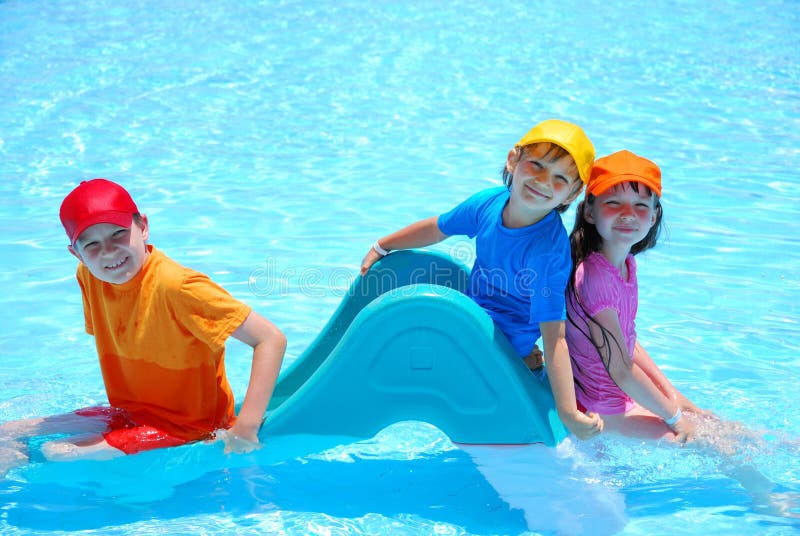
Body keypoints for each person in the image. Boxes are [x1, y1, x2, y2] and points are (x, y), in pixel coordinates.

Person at [0, 178, 286, 473]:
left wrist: (246, 428)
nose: (109, 252)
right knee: (8, 431)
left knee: (57, 451)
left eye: (118, 234)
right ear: (77, 254)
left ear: (143, 227)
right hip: (130, 413)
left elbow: (270, 339)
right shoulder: (90, 277)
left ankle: (23, 473)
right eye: (92, 245)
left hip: (187, 427)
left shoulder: (178, 288)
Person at [360, 119, 604, 440]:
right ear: (513, 160)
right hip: (473, 316)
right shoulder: (488, 203)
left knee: (415, 325)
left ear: (572, 194)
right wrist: (383, 245)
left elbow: (554, 335)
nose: (543, 181)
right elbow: (438, 227)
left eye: (560, 179)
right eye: (536, 164)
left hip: (503, 344)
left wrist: (568, 412)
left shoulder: (547, 252)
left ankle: (520, 366)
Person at [566, 150, 701, 443]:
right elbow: (620, 369)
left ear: (653, 217)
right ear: (589, 211)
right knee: (707, 442)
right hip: (605, 410)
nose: (628, 214)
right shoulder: (595, 279)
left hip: (622, 395)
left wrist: (674, 396)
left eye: (640, 205)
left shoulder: (624, 264)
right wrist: (674, 418)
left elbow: (628, 340)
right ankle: (765, 492)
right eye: (613, 202)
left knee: (711, 422)